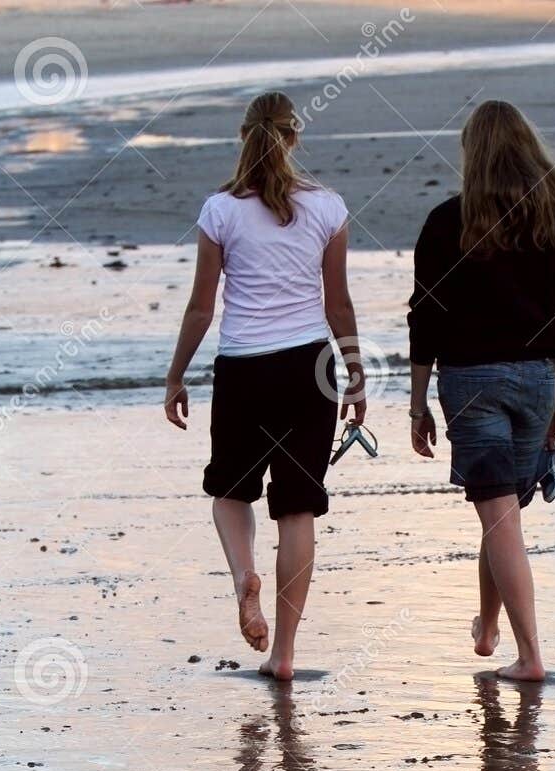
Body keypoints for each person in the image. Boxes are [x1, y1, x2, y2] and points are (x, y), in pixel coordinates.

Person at [164, 90, 366, 682]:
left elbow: (202, 309)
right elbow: (338, 303)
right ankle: (284, 656)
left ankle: (242, 577)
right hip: (310, 367)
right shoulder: (327, 207)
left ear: (244, 136)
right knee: (298, 509)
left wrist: (176, 375)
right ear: (293, 137)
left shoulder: (220, 211)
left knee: (229, 490)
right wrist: (354, 373)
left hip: (244, 367)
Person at [408, 100, 555, 682]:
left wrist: (418, 404)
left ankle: (532, 656)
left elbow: (426, 318)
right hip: (537, 380)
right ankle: (489, 627)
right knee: (503, 516)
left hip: (472, 382)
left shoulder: (448, 221)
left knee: (500, 518)